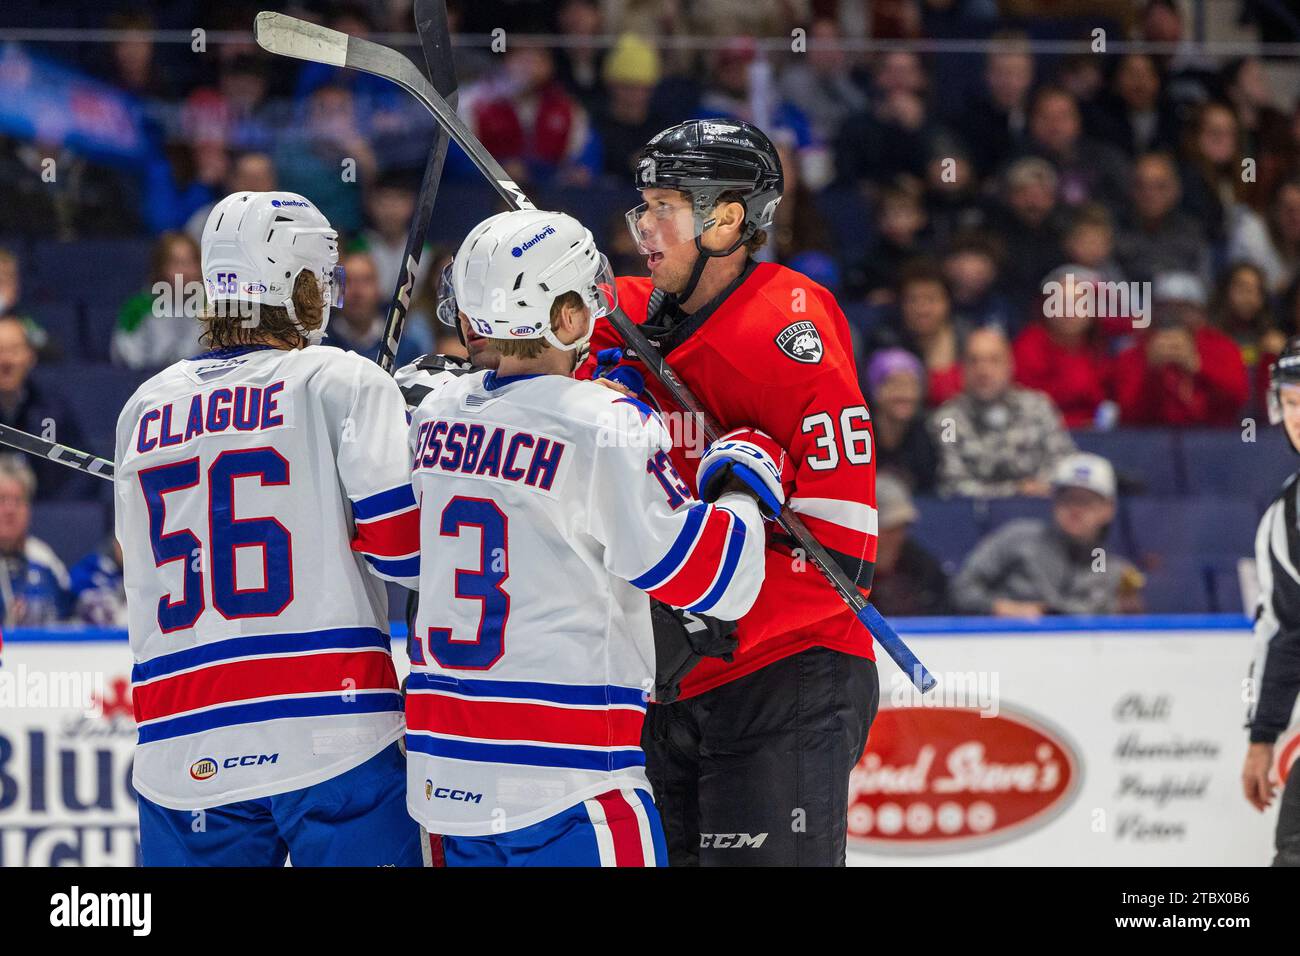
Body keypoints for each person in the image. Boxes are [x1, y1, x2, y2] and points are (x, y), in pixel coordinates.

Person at [405, 209, 775, 866]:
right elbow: (708, 579)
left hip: (442, 774)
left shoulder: (434, 415)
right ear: (570, 318)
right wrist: (744, 487)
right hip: (568, 778)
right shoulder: (603, 422)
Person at [583, 119, 879, 866]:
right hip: (666, 688)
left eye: (665, 208)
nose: (645, 229)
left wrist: (707, 608)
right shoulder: (620, 314)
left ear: (727, 217)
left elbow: (845, 556)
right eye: (641, 207)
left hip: (785, 676)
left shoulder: (788, 327)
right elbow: (532, 325)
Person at [114, 190, 422, 867]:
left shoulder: (144, 407)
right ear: (295, 280)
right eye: (323, 276)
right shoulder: (342, 379)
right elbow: (408, 553)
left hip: (181, 738)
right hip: (330, 729)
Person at [950, 453, 1136, 619]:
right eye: (1068, 499)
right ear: (1054, 502)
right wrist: (1002, 608)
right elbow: (961, 588)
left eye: (1086, 501)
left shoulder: (1114, 570)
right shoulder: (1018, 537)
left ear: (1108, 509)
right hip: (1006, 644)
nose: (1075, 510)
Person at [1242, 337, 1300, 866]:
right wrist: (1262, 738)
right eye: (1292, 401)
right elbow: (1285, 634)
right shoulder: (1282, 518)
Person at [930, 327, 1076, 498]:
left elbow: (1064, 464)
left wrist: (1040, 487)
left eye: (994, 360)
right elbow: (951, 484)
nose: (983, 371)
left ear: (1010, 365)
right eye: (974, 361)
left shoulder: (1038, 408)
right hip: (972, 518)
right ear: (962, 369)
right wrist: (1017, 491)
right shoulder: (948, 420)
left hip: (1036, 511)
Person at [1114, 272, 1249, 426]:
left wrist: (1198, 367)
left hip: (1213, 439)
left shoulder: (1223, 347)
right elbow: (1127, 413)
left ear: (1200, 313)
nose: (1174, 316)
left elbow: (1237, 398)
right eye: (1166, 308)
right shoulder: (1135, 352)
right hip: (1151, 441)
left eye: (1184, 309)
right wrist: (1151, 372)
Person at [0, 315, 91, 500]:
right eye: (0, 351)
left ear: (30, 356)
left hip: (45, 517)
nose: (6, 361)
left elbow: (84, 470)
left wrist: (54, 513)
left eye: (14, 350)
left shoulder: (55, 409)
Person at [866, 473, 950, 616]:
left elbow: (938, 613)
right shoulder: (850, 569)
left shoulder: (923, 566)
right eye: (890, 528)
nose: (897, 537)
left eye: (902, 527)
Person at [0, 456, 69, 627]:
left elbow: (70, 620)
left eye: (18, 501)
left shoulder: (46, 560)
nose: (10, 510)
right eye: (1, 499)